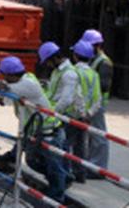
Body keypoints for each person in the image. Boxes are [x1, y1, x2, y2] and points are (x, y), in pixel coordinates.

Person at [0, 56, 68, 202]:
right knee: (33, 161)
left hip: (49, 131)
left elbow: (0, 87)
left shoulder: (28, 85)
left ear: (10, 75)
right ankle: (61, 180)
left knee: (54, 166)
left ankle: (57, 196)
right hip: (34, 131)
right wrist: (0, 90)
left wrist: (0, 90)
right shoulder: (23, 80)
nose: (2, 77)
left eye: (4, 75)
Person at [39, 40, 83, 186]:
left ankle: (63, 179)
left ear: (55, 58)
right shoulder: (58, 71)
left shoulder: (69, 74)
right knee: (60, 150)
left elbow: (66, 99)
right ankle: (63, 177)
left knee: (61, 150)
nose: (47, 65)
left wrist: (51, 114)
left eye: (47, 61)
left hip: (66, 116)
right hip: (58, 115)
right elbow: (54, 92)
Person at [70, 39, 102, 183]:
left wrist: (81, 113)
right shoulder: (94, 74)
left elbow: (77, 95)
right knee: (81, 146)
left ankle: (67, 173)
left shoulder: (74, 72)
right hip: (86, 116)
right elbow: (98, 98)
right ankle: (80, 174)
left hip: (73, 114)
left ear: (75, 56)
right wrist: (89, 114)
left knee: (66, 144)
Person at [82, 28, 113, 174]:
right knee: (90, 135)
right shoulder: (93, 59)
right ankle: (91, 164)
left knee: (99, 136)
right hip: (90, 103)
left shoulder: (104, 63)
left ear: (97, 45)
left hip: (97, 104)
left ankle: (98, 168)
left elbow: (103, 86)